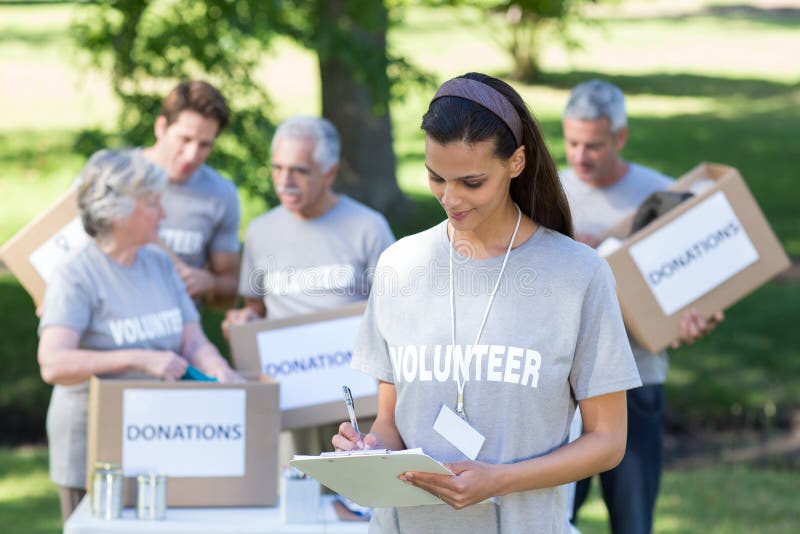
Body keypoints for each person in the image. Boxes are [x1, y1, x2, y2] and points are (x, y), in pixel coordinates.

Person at [332, 72, 642, 533]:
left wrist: (500, 480)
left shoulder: (578, 274)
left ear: (516, 162)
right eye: (436, 177)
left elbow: (608, 440)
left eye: (471, 182)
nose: (450, 198)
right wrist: (369, 448)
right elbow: (392, 422)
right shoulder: (399, 265)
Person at [37, 150, 242, 523]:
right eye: (153, 204)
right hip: (91, 450)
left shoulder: (160, 263)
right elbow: (53, 363)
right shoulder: (76, 275)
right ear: (117, 212)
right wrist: (140, 358)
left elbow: (192, 341)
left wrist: (218, 369)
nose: (163, 214)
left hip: (158, 439)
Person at [561, 79, 722, 534]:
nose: (580, 155)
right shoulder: (547, 193)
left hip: (636, 379)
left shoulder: (665, 197)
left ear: (621, 137)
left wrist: (694, 321)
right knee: (552, 520)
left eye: (592, 145)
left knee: (632, 523)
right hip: (561, 386)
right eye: (572, 142)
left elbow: (693, 291)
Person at [223, 115, 395, 455]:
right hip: (292, 400)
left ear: (330, 172)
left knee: (357, 498)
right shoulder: (260, 232)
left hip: (356, 402)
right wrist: (242, 324)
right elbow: (255, 309)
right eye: (277, 168)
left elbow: (398, 314)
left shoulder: (368, 228)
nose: (285, 181)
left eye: (300, 171)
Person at [139, 80, 240, 305]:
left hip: (178, 332)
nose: (192, 155)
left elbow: (229, 291)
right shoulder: (113, 175)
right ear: (161, 128)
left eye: (205, 145)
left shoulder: (220, 195)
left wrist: (209, 282)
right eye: (185, 139)